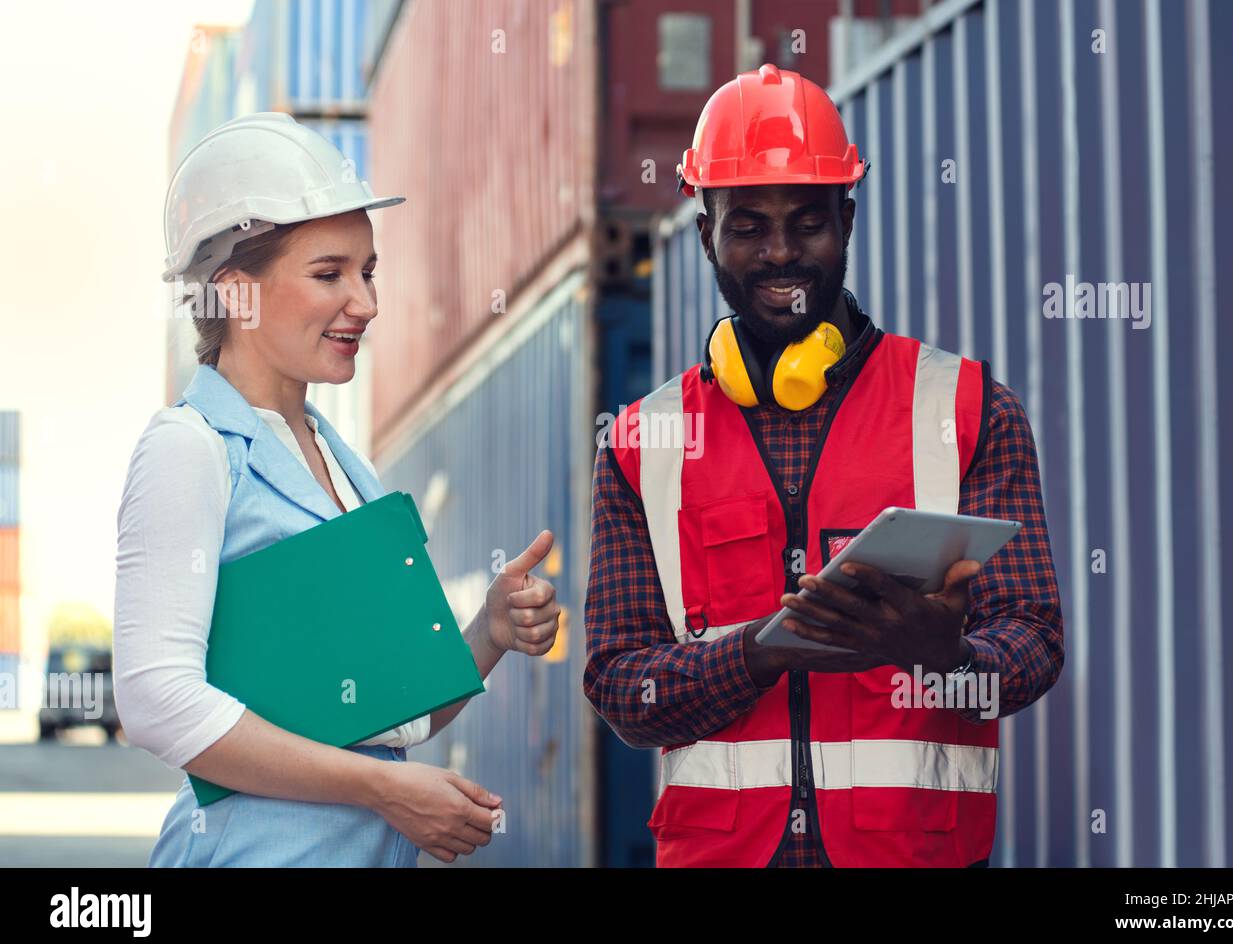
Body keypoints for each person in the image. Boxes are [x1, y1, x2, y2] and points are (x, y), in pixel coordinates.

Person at [583, 65, 1064, 867]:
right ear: (706, 234)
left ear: (847, 219)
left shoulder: (969, 409)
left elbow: (1035, 647)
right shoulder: (643, 444)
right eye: (747, 226)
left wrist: (945, 655)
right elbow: (622, 691)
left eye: (807, 222)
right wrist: (761, 651)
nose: (780, 254)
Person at [114, 112, 561, 867]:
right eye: (330, 274)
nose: (367, 302)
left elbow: (393, 717)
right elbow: (157, 701)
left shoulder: (342, 460)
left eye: (368, 271)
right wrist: (385, 792)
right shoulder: (189, 449)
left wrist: (489, 630)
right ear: (237, 294)